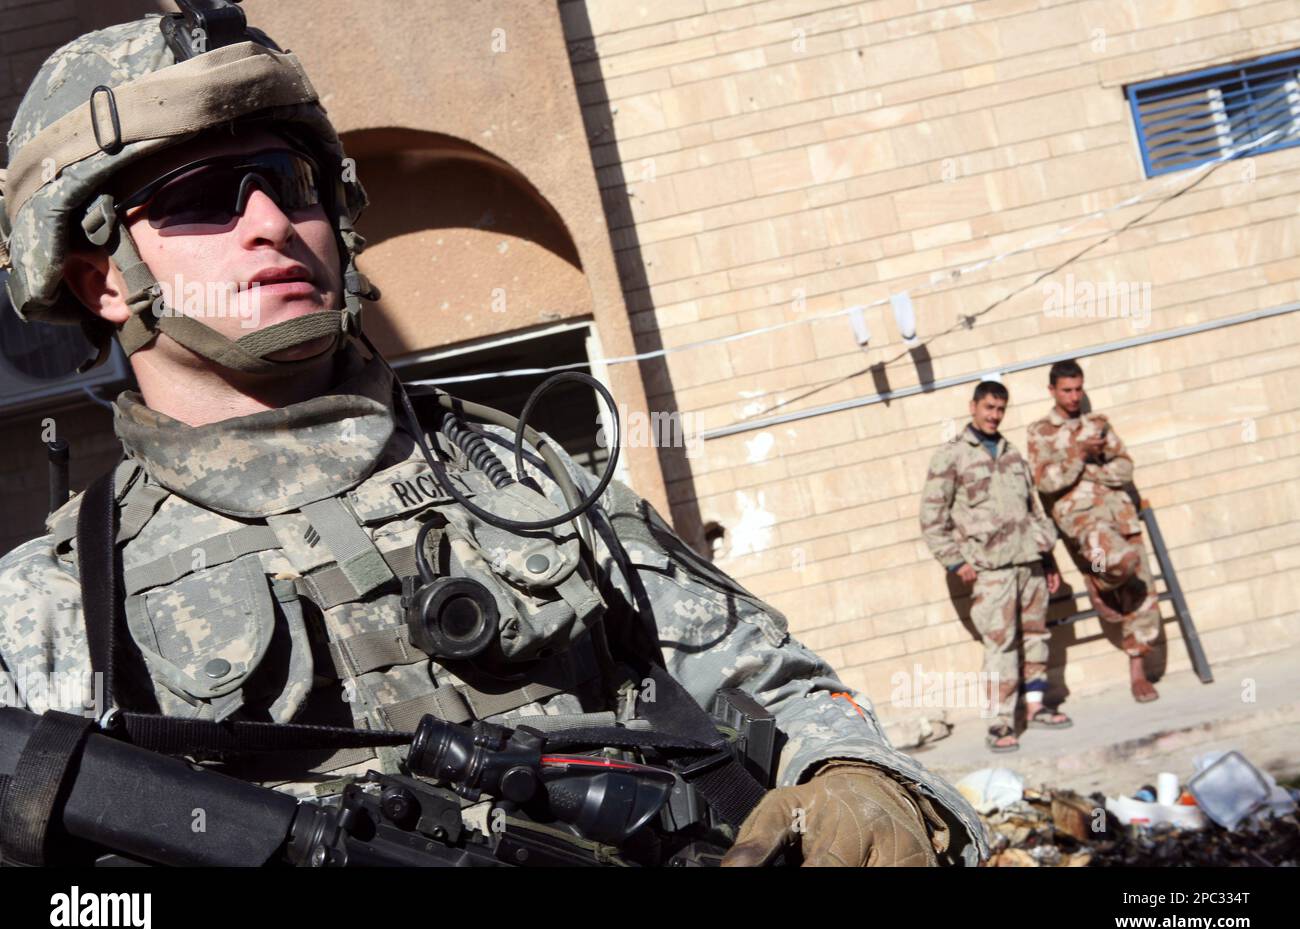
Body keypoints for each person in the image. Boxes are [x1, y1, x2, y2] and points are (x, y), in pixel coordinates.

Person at [0, 8, 985, 866]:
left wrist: (855, 774)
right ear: (106, 278)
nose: (273, 221)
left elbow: (771, 688)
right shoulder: (51, 609)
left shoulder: (514, 473)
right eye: (203, 198)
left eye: (289, 181)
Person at [919, 380, 1067, 753]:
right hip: (992, 568)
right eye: (988, 408)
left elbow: (1034, 509)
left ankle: (1036, 707)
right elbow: (932, 517)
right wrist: (954, 561)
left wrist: (1048, 559)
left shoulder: (1013, 452)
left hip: (1029, 562)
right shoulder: (952, 455)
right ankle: (1000, 722)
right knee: (1000, 645)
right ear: (973, 408)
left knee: (1037, 636)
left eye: (1000, 409)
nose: (994, 415)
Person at [1027, 360, 1160, 704]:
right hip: (1085, 524)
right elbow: (1046, 482)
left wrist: (1093, 470)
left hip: (1121, 516)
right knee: (1115, 563)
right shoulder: (1041, 431)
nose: (1074, 397)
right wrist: (1079, 456)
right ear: (1052, 390)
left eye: (1078, 389)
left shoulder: (1098, 424)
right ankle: (1100, 581)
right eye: (1066, 390)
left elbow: (1125, 467)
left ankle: (1138, 670)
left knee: (1142, 588)